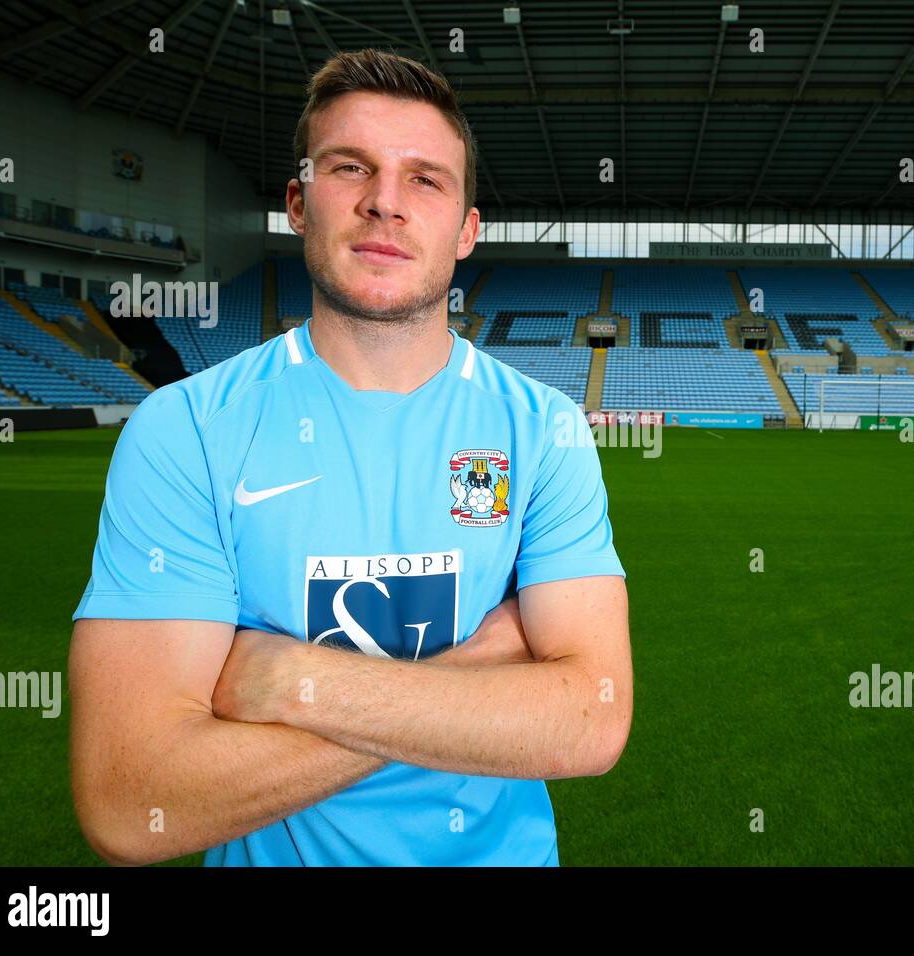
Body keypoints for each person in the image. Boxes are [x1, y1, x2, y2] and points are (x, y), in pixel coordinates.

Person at [68, 48, 632, 867]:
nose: (384, 204)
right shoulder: (184, 430)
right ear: (298, 203)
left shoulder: (544, 430)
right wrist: (479, 665)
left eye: (426, 180)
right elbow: (131, 802)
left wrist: (296, 684)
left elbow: (593, 719)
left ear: (467, 229)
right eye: (350, 168)